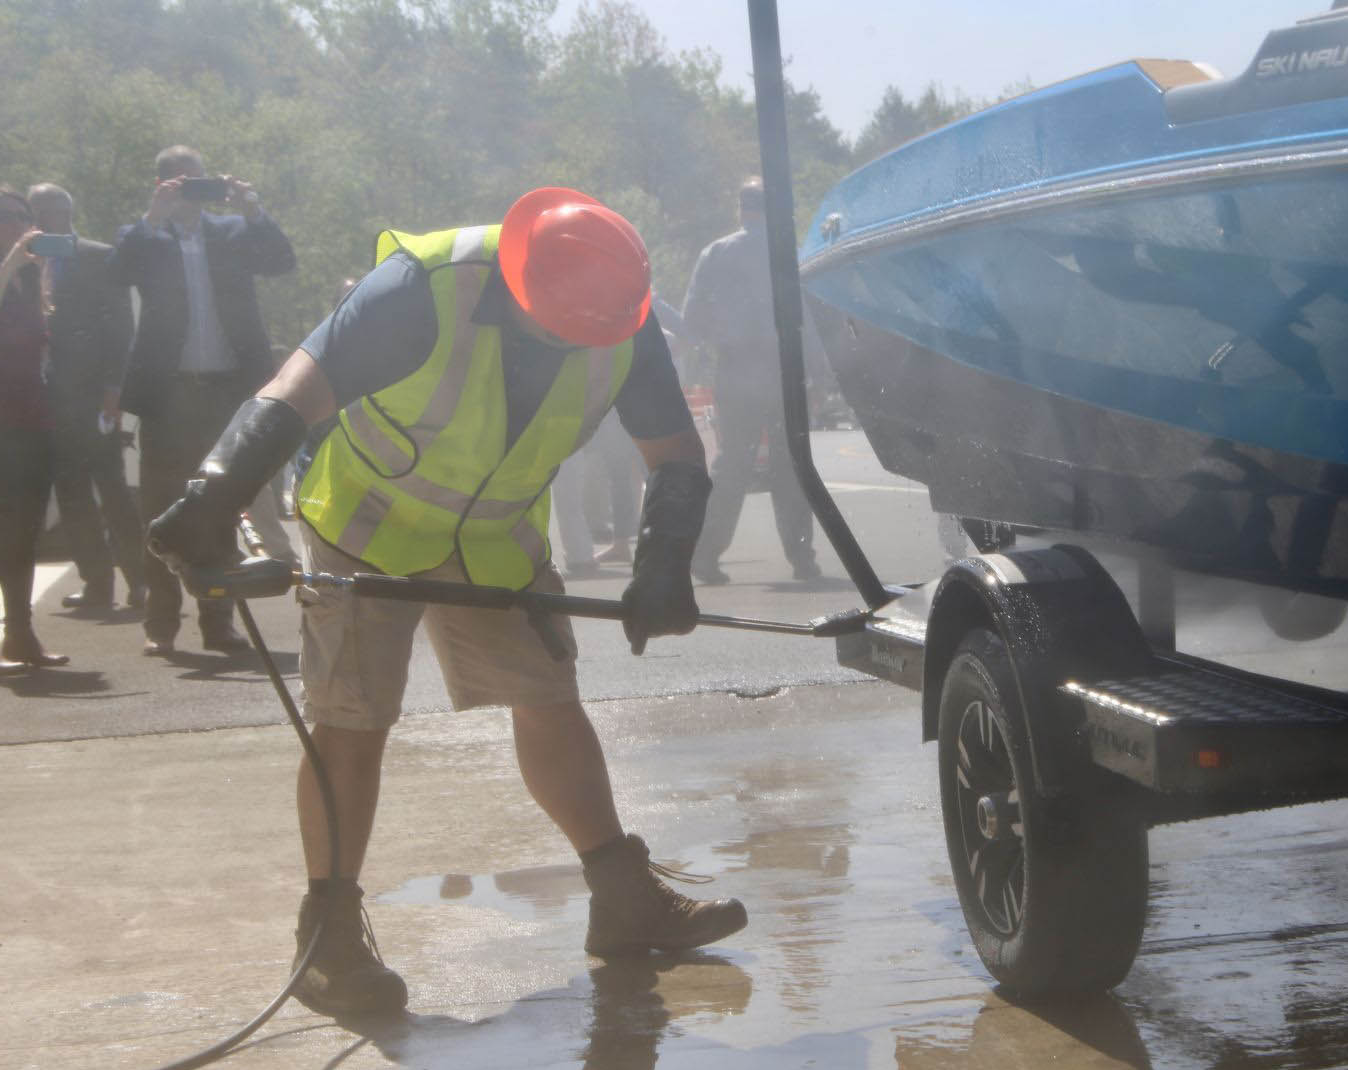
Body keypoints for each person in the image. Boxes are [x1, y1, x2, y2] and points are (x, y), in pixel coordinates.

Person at [146, 187, 746, 1016]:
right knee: (352, 718)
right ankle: (327, 939)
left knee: (548, 701)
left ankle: (623, 898)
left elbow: (674, 452)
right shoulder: (420, 288)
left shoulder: (617, 312)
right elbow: (293, 392)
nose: (577, 344)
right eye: (559, 330)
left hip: (494, 535)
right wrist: (216, 496)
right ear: (521, 285)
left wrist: (665, 560)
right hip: (367, 524)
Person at [113, 145, 295, 656]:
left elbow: (282, 261)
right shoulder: (146, 237)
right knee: (160, 506)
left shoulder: (232, 232)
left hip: (225, 393)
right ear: (159, 184)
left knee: (219, 506)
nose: (186, 188)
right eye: (175, 180)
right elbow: (118, 270)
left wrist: (251, 208)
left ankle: (218, 621)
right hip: (168, 396)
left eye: (194, 179)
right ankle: (161, 618)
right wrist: (155, 215)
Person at [682, 177, 819, 584]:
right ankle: (802, 559)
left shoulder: (716, 253)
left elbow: (693, 319)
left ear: (741, 210)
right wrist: (815, 373)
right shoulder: (790, 255)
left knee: (731, 467)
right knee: (791, 466)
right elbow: (808, 320)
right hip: (783, 372)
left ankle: (705, 555)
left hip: (736, 371)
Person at [27, 183, 143, 613]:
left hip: (95, 396)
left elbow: (120, 327)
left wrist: (114, 388)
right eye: (38, 210)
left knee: (111, 488)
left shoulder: (97, 255)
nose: (47, 217)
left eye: (55, 208)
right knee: (71, 492)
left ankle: (140, 581)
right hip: (43, 396)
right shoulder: (21, 260)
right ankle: (97, 584)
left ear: (69, 211)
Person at [0, 186, 69, 674]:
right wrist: (12, 261)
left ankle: (20, 632)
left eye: (23, 216)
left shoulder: (31, 278)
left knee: (26, 531)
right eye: (5, 217)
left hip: (32, 416)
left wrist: (36, 271)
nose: (17, 224)